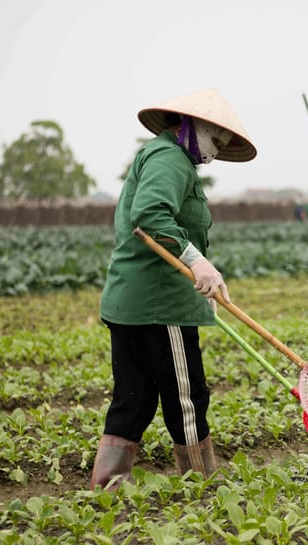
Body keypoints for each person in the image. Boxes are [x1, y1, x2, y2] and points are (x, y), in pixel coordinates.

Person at [90, 88, 257, 490]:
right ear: (193, 125)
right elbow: (149, 215)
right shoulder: (170, 159)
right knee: (186, 395)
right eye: (215, 140)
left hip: (131, 301)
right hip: (160, 304)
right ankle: (202, 479)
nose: (216, 151)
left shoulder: (162, 155)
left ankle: (110, 483)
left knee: (135, 395)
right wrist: (197, 260)